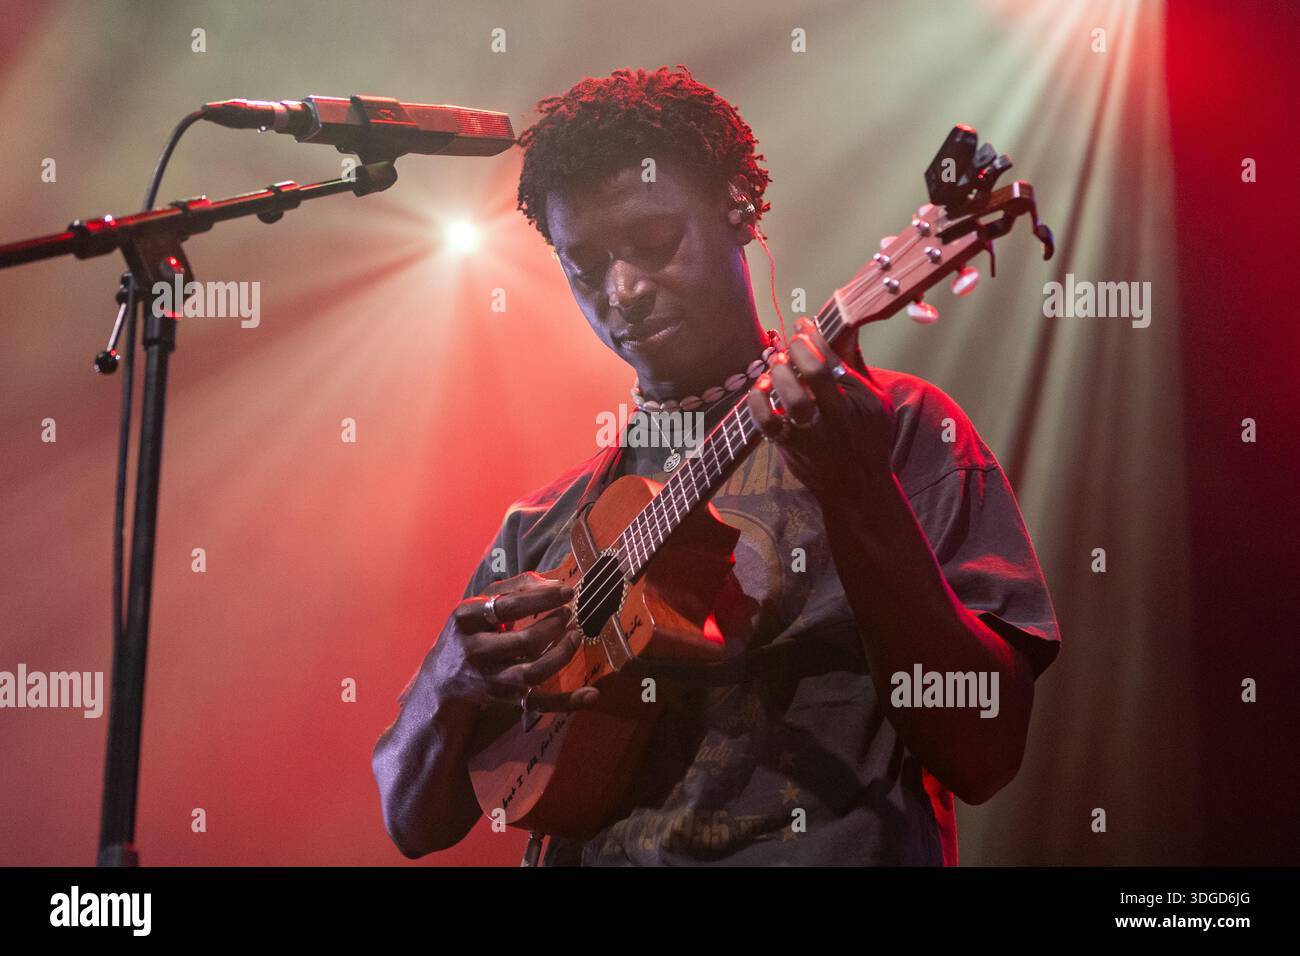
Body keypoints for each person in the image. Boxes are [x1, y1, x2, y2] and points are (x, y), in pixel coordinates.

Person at [371, 65, 1061, 866]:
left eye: (654, 242)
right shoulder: (545, 525)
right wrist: (448, 681)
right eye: (584, 264)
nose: (621, 291)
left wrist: (861, 494)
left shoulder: (902, 430)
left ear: (739, 208)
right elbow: (412, 822)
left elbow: (984, 754)